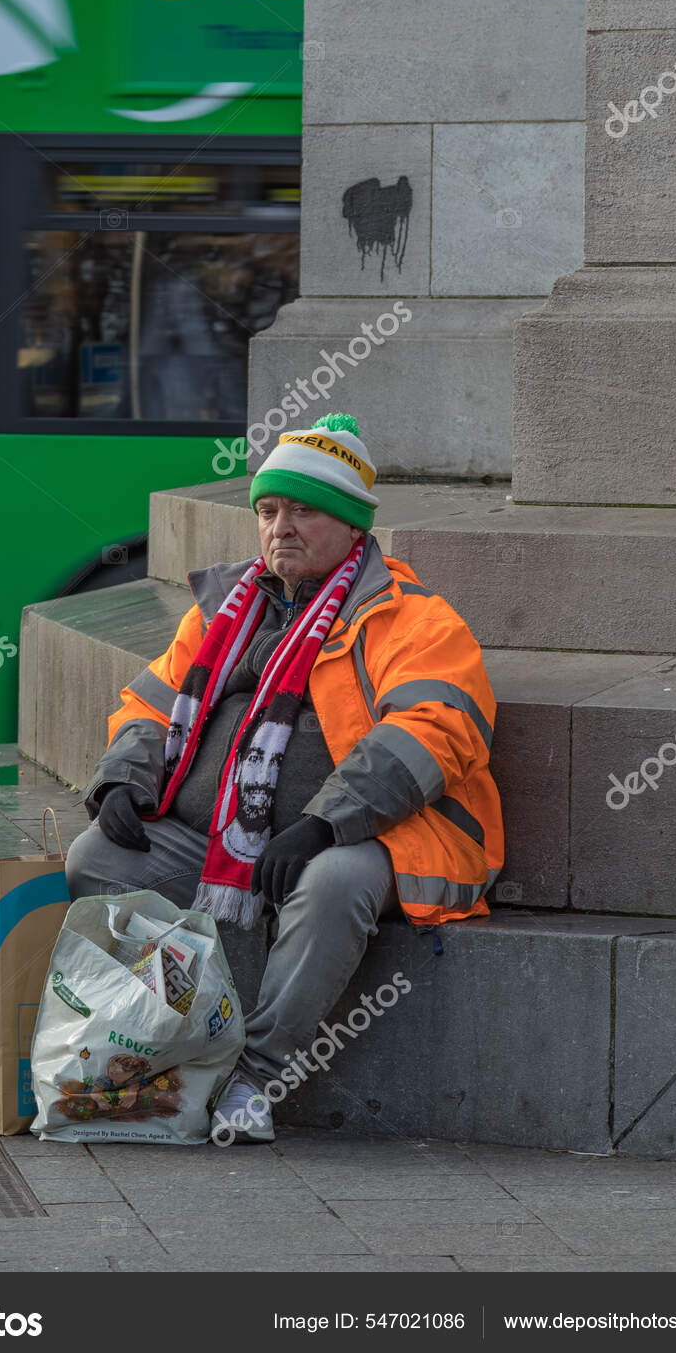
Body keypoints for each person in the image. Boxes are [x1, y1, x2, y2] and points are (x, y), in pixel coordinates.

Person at [65, 413, 502, 1142]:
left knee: (330, 882)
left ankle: (255, 1077)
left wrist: (324, 823)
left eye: (303, 510)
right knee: (97, 859)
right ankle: (177, 1047)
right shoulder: (222, 608)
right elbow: (149, 702)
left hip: (374, 837)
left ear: (352, 527)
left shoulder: (413, 617)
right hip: (214, 838)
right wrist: (120, 783)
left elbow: (436, 727)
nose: (280, 528)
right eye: (268, 511)